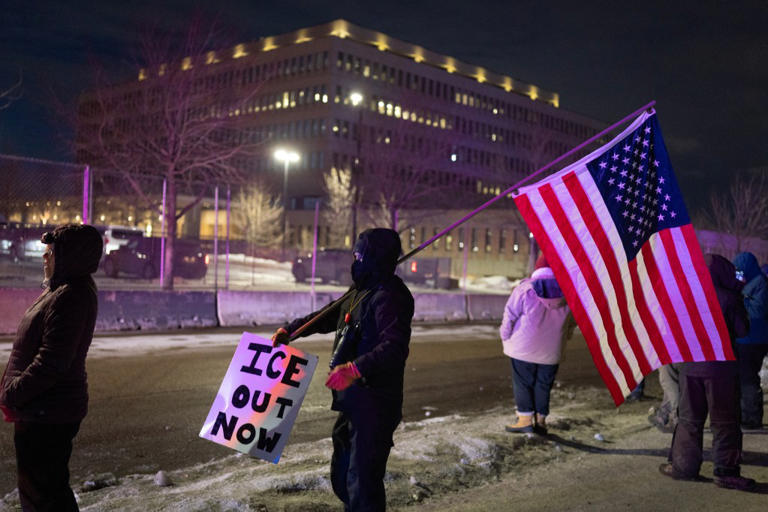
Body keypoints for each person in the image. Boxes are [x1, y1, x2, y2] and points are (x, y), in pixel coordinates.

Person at [271, 228, 413, 512]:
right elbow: (329, 315)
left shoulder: (390, 296)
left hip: (376, 404)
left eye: (359, 255)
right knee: (344, 473)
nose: (354, 260)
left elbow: (394, 347)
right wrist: (292, 330)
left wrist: (355, 368)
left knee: (363, 481)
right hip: (353, 400)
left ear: (373, 257)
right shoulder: (360, 290)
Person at [0, 223, 103, 511]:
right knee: (44, 491)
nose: (45, 257)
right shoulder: (62, 290)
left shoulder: (70, 296)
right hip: (45, 408)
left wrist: (13, 392)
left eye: (52, 251)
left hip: (48, 412)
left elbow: (52, 362)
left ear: (70, 256)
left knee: (44, 496)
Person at [659, 254, 755, 491]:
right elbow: (742, 330)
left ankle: (684, 467)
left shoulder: (687, 295)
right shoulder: (728, 298)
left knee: (689, 419)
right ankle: (726, 472)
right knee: (724, 422)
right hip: (720, 370)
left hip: (690, 368)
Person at [500, 254, 574, 435]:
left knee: (523, 383)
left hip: (523, 347)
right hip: (552, 350)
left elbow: (510, 314)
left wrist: (505, 335)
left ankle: (525, 419)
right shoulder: (570, 293)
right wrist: (565, 338)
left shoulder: (525, 289)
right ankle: (540, 421)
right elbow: (572, 322)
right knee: (543, 384)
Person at [732, 251, 768, 431]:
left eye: (740, 270)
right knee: (743, 377)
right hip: (745, 338)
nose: (739, 274)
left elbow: (757, 311)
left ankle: (752, 417)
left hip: (754, 339)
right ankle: (745, 414)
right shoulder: (747, 283)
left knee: (748, 378)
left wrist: (739, 301)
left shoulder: (760, 283)